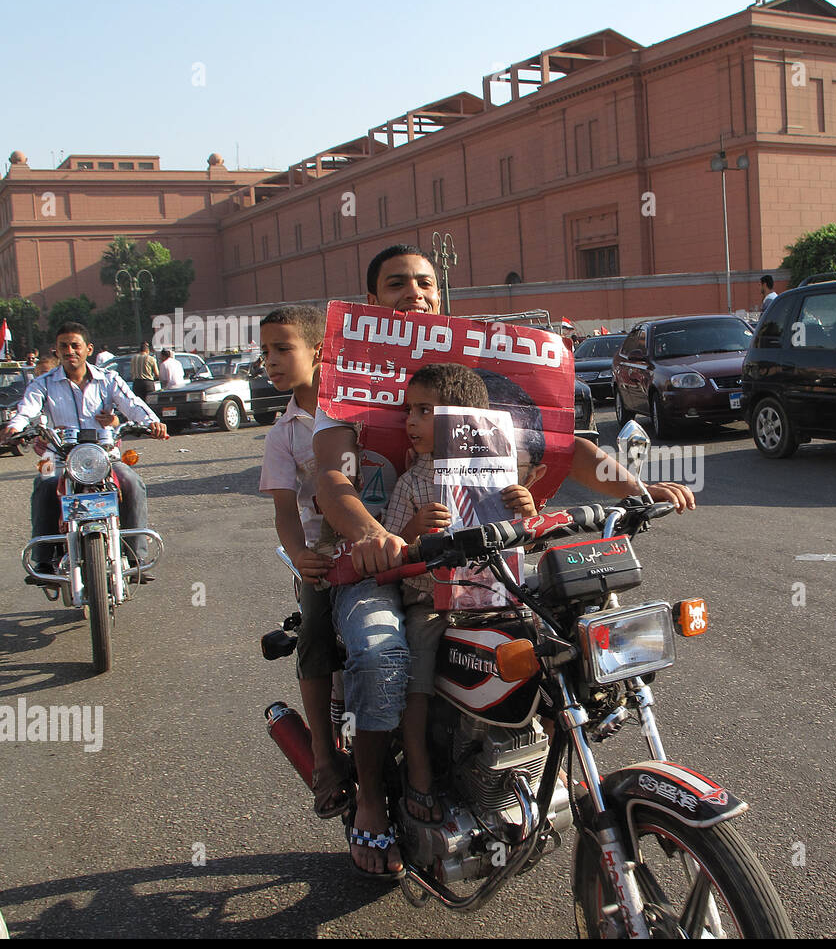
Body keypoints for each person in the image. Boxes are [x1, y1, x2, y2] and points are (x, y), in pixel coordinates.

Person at [313, 243, 696, 877]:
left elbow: (565, 447)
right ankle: (381, 799)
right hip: (383, 562)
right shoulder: (352, 376)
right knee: (386, 656)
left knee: (564, 627)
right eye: (397, 284)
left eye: (426, 283)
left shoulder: (474, 373)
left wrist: (638, 491)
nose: (415, 293)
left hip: (481, 562)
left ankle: (541, 756)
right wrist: (378, 536)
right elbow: (333, 478)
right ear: (372, 301)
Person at [381, 363, 536, 829]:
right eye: (410, 410)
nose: (410, 421)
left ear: (465, 421)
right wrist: (413, 531)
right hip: (430, 603)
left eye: (425, 411)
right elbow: (392, 556)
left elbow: (520, 538)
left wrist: (525, 507)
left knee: (547, 650)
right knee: (418, 676)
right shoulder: (412, 483)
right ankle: (421, 776)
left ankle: (537, 757)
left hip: (493, 598)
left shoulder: (500, 474)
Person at [257, 304, 352, 820]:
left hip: (391, 542)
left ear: (318, 350)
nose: (269, 360)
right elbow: (284, 511)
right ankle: (323, 754)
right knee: (315, 632)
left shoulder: (360, 405)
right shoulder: (283, 433)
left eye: (282, 348)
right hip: (323, 561)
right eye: (266, 351)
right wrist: (301, 558)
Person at [0, 322, 167, 576]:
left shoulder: (109, 380)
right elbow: (27, 409)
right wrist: (15, 427)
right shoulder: (43, 383)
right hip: (59, 459)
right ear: (56, 351)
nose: (70, 351)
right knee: (44, 484)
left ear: (88, 349)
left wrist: (152, 423)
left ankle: (136, 558)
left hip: (105, 458)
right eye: (63, 346)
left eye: (75, 345)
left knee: (132, 482)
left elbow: (132, 405)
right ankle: (43, 559)